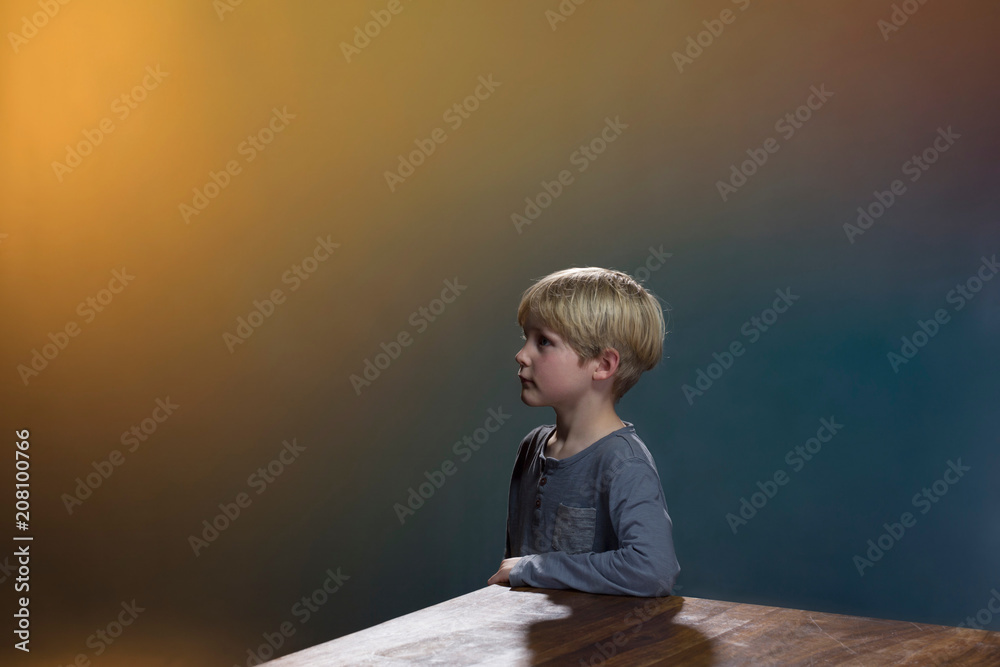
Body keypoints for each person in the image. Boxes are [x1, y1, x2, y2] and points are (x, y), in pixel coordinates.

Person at [487, 267, 680, 597]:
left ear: (603, 365)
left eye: (544, 341)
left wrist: (533, 568)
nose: (521, 356)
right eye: (526, 338)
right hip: (538, 642)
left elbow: (653, 570)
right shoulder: (532, 446)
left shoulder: (622, 462)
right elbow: (515, 564)